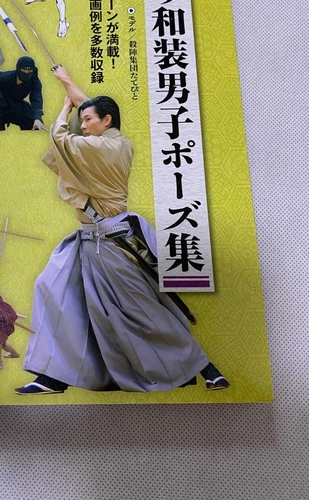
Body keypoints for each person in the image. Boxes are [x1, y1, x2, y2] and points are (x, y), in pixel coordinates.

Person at [16, 66, 230, 395]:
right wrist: (67, 81)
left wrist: (65, 108)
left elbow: (59, 136)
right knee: (55, 291)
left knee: (141, 310)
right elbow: (92, 107)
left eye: (88, 121)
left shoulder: (99, 148)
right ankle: (52, 377)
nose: (83, 125)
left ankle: (207, 369)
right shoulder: (116, 141)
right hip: (89, 242)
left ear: (107, 121)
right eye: (82, 120)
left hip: (112, 243)